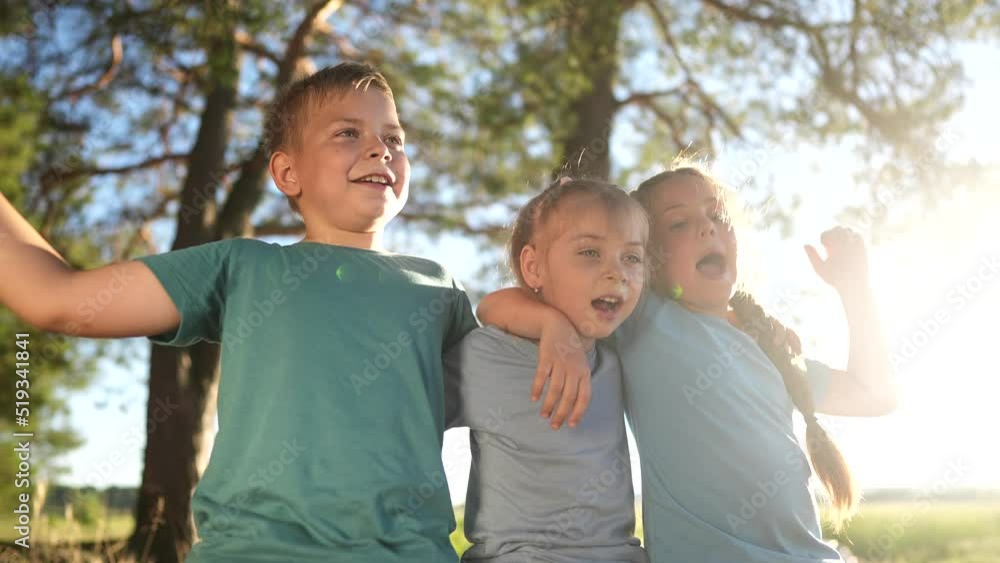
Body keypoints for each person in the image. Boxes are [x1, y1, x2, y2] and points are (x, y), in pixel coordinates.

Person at [0, 62, 478, 563]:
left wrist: (548, 324)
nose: (382, 149)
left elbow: (518, 394)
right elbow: (55, 299)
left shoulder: (438, 288)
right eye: (347, 132)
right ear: (287, 172)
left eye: (394, 138)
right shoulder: (242, 266)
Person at [477, 164, 897, 562]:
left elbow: (874, 395)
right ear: (646, 259)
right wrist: (554, 326)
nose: (706, 226)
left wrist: (854, 288)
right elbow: (496, 305)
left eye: (717, 215)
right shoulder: (641, 317)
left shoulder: (769, 346)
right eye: (678, 223)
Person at [444, 178, 648, 562]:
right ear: (533, 267)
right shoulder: (490, 354)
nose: (617, 273)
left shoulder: (618, 357)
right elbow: (404, 420)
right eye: (590, 252)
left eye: (632, 257)